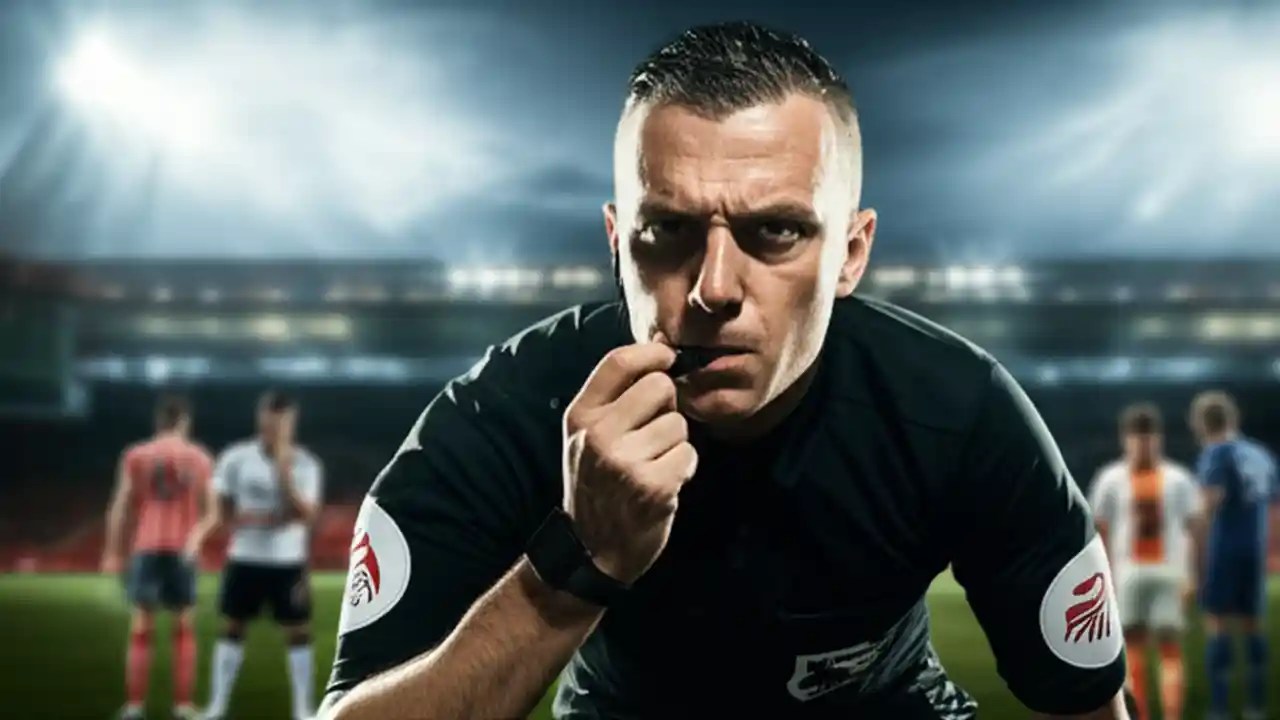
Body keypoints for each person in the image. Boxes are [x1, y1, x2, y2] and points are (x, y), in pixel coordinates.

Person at [321, 22, 1129, 719]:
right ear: (616, 241)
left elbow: (1086, 707)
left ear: (850, 254)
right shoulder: (502, 415)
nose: (712, 288)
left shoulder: (961, 414)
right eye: (667, 230)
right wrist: (574, 564)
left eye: (775, 231)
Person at [188, 390, 323, 720]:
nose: (275, 429)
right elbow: (222, 510)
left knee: (298, 632)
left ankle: (303, 710)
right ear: (260, 419)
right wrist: (249, 518)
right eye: (270, 421)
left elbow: (307, 514)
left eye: (282, 423)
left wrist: (283, 474)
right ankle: (217, 706)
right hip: (244, 558)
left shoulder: (305, 463)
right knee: (232, 627)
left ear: (292, 424)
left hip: (288, 562)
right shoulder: (236, 458)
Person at [101, 393, 213, 720]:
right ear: (184, 422)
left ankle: (134, 706)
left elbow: (120, 505)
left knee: (141, 628)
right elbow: (211, 512)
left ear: (158, 421)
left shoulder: (135, 455)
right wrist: (196, 539)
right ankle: (182, 705)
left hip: (146, 546)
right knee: (183, 628)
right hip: (182, 550)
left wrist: (112, 551)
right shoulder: (199, 457)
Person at [1088, 404, 1201, 720]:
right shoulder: (1110, 478)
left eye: (1149, 438)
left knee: (1169, 648)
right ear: (1126, 440)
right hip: (1128, 571)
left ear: (1159, 440)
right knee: (1133, 649)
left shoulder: (1177, 477)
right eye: (1138, 438)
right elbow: (1101, 531)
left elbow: (1193, 529)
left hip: (1169, 569)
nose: (1143, 444)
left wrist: (1193, 574)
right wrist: (1104, 574)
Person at [1190, 390, 1276, 720]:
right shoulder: (1259, 453)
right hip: (1254, 549)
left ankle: (1221, 708)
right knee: (1254, 626)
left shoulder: (1215, 454)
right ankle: (1255, 706)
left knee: (1217, 625)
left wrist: (1193, 536)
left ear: (1201, 423)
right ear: (1233, 418)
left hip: (1223, 549)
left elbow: (1210, 500)